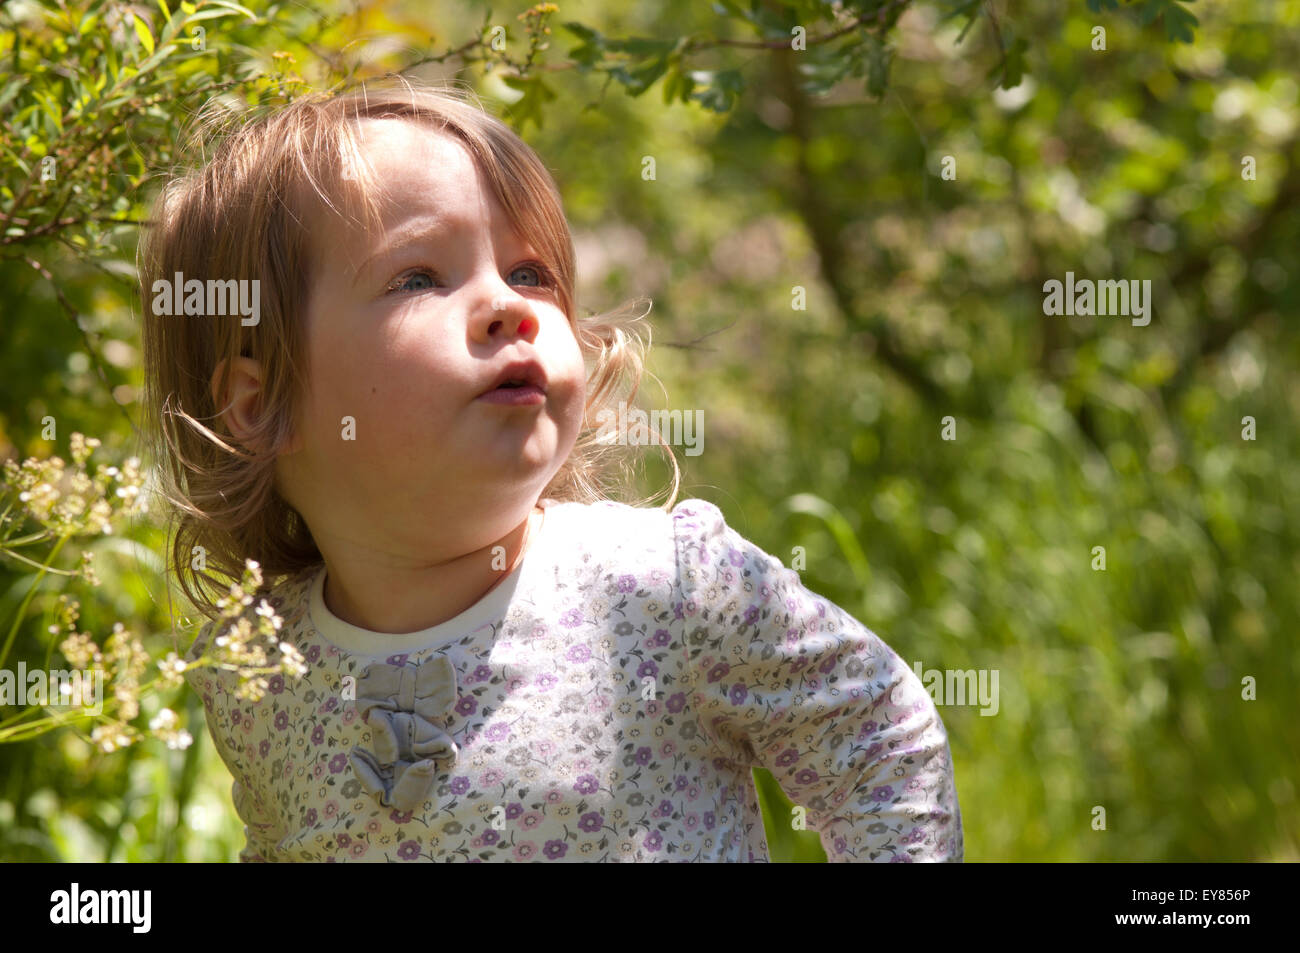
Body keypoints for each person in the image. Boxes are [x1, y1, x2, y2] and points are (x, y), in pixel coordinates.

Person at [138, 76, 963, 862]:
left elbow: (877, 735)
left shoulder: (659, 588)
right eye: (419, 276)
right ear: (258, 404)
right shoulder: (258, 672)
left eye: (530, 272)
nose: (510, 305)